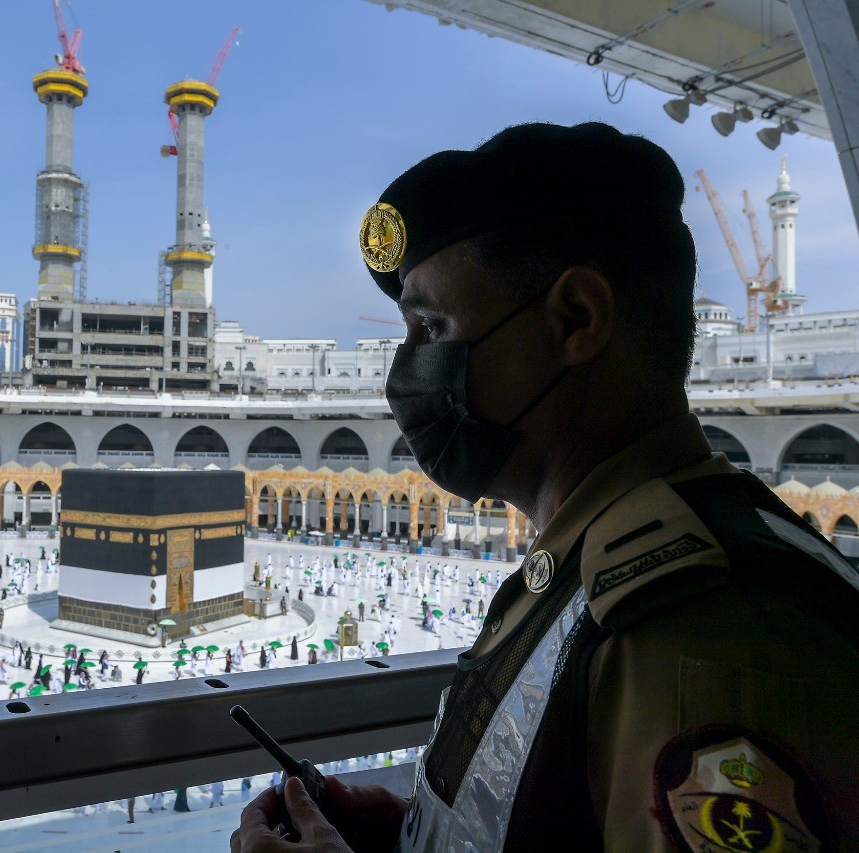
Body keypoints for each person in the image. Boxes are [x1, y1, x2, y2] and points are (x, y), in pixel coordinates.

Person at [233, 122, 858, 852]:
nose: (404, 369)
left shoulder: (708, 629)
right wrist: (413, 834)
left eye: (430, 325)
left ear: (577, 319)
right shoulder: (588, 575)